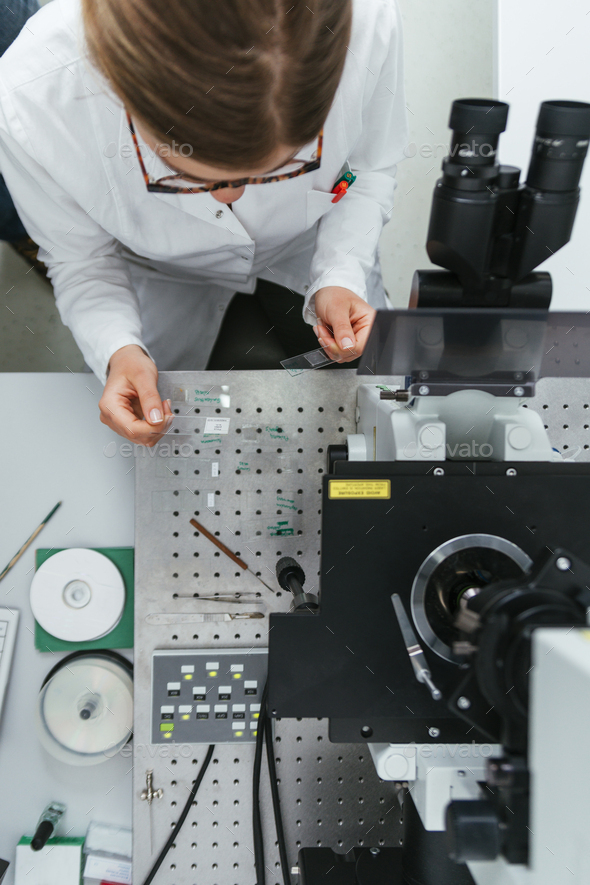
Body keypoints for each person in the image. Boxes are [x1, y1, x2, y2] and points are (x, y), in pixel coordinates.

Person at [0, 0, 408, 445]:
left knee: (389, 410)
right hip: (157, 274)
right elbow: (81, 259)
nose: (231, 198)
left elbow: (367, 167)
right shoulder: (32, 98)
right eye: (186, 177)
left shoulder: (366, 20)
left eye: (283, 167)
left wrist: (342, 271)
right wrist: (118, 348)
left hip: (307, 244)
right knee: (126, 445)